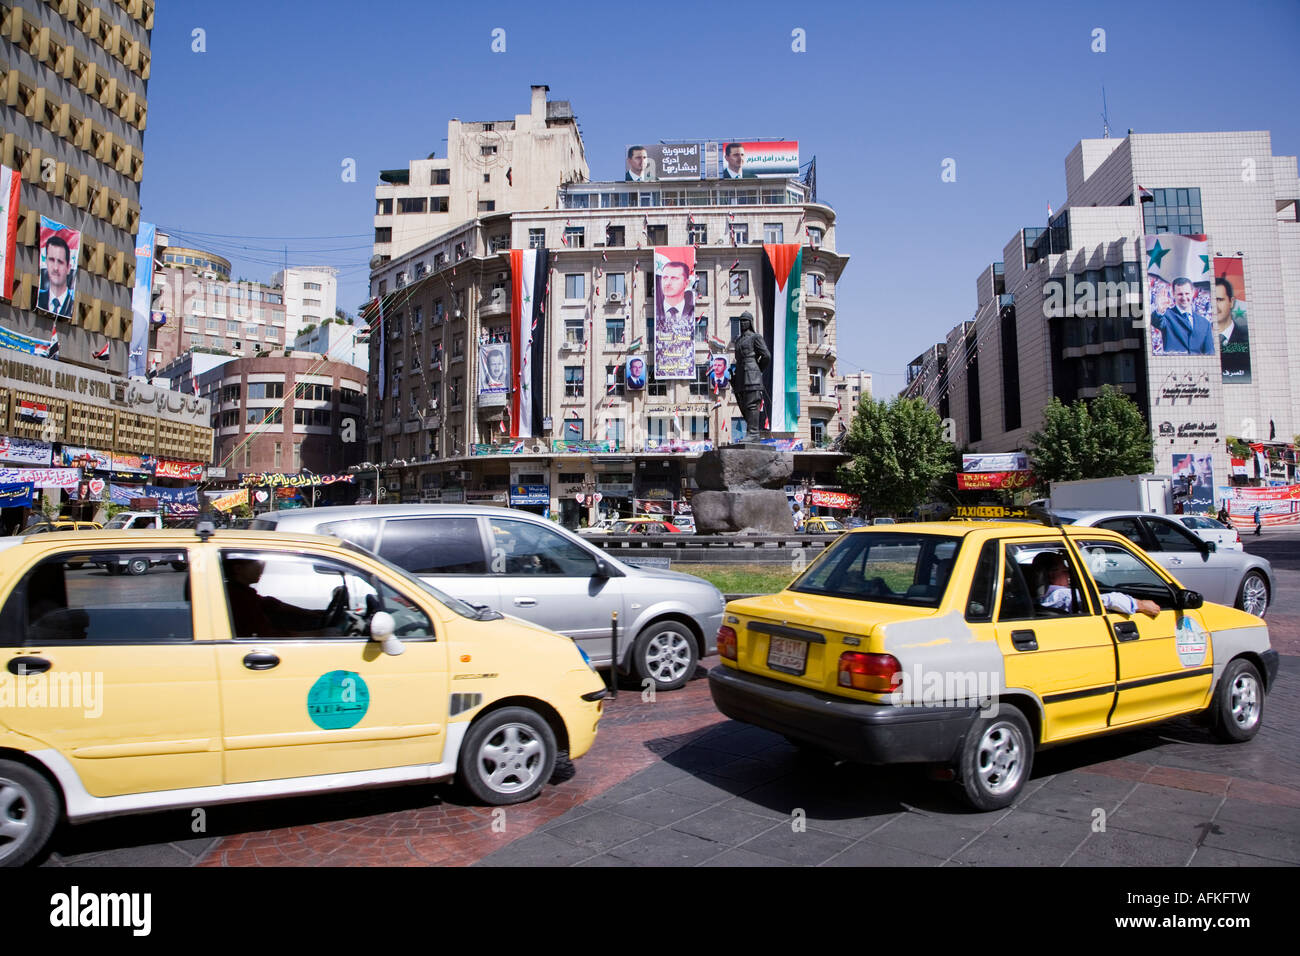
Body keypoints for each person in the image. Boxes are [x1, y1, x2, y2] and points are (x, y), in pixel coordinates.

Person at [224, 557, 338, 637]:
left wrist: (313, 613)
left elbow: (272, 604)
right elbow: (266, 635)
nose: (261, 568)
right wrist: (318, 634)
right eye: (257, 563)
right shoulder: (238, 599)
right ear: (238, 569)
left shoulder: (245, 593)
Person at [1032, 552, 1160, 617]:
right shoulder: (1061, 595)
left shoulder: (1029, 597)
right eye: (1065, 570)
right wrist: (1140, 604)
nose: (1069, 575)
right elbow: (1104, 601)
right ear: (1050, 574)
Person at [731, 312, 771, 437]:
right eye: (741, 320)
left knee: (752, 404)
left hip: (752, 375)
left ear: (750, 322)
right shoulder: (738, 340)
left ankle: (753, 433)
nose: (743, 323)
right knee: (743, 405)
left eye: (745, 320)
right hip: (740, 377)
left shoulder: (755, 337)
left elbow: (766, 356)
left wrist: (758, 370)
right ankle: (750, 431)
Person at [1154, 277, 1213, 355]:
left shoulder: (1205, 323)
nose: (1184, 298)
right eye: (1180, 294)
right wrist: (1159, 310)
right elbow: (1155, 321)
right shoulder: (1166, 316)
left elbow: (1210, 353)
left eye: (1187, 293)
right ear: (1173, 294)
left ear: (1193, 293)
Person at [1213, 276, 1250, 378]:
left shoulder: (1248, 338)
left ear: (1231, 302)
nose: (1214, 305)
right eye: (1210, 300)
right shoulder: (1196, 340)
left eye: (1219, 299)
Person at [37, 235, 75, 317]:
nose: (55, 268)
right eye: (51, 260)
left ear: (68, 268)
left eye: (60, 262)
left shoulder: (73, 305)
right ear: (46, 261)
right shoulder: (38, 298)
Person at [655, 261, 694, 334]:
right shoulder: (656, 309)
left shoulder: (692, 311)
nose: (667, 283)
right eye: (665, 278)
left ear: (686, 283)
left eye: (674, 278)